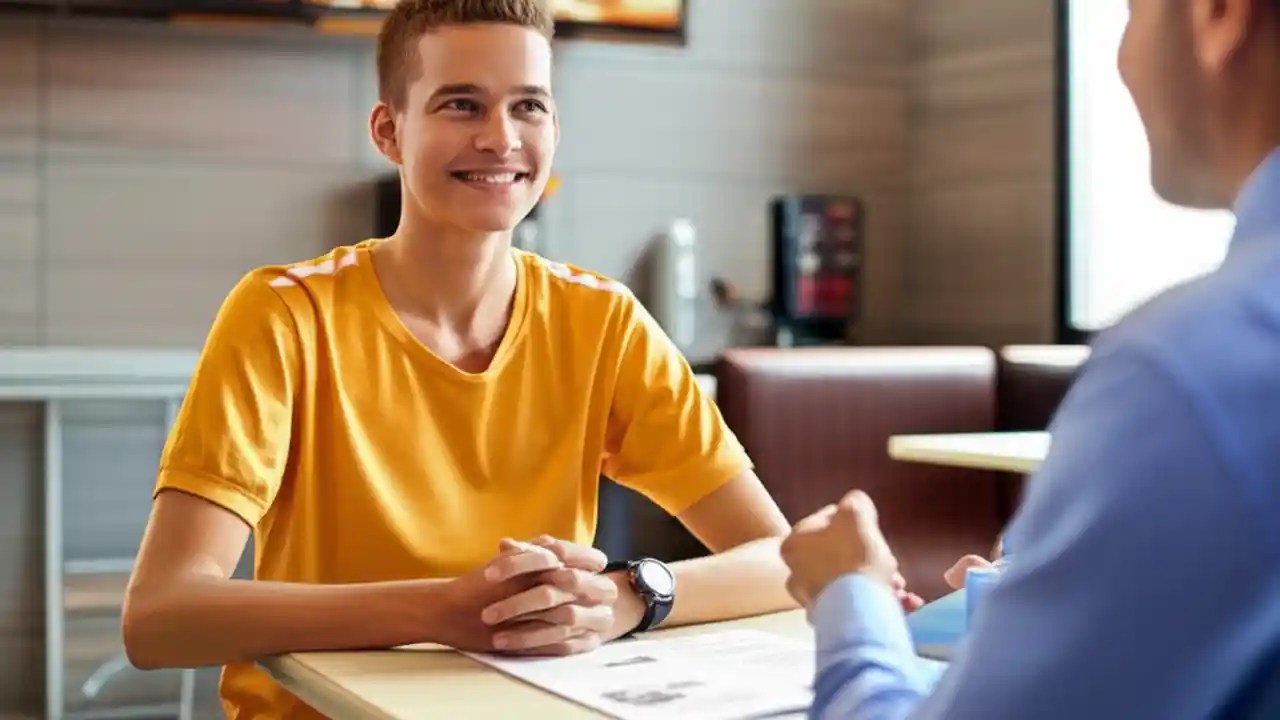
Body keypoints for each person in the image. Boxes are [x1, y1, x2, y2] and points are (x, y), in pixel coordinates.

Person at [117, 1, 870, 717]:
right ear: (389, 130)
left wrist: (629, 596)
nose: (502, 138)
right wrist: (441, 609)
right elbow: (160, 617)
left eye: (529, 106)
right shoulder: (284, 314)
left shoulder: (601, 320)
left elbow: (783, 557)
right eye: (461, 104)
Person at [780, 0, 1280, 717]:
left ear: (1218, 15)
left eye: (1132, 12)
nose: (1122, 64)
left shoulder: (1193, 369)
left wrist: (849, 596)